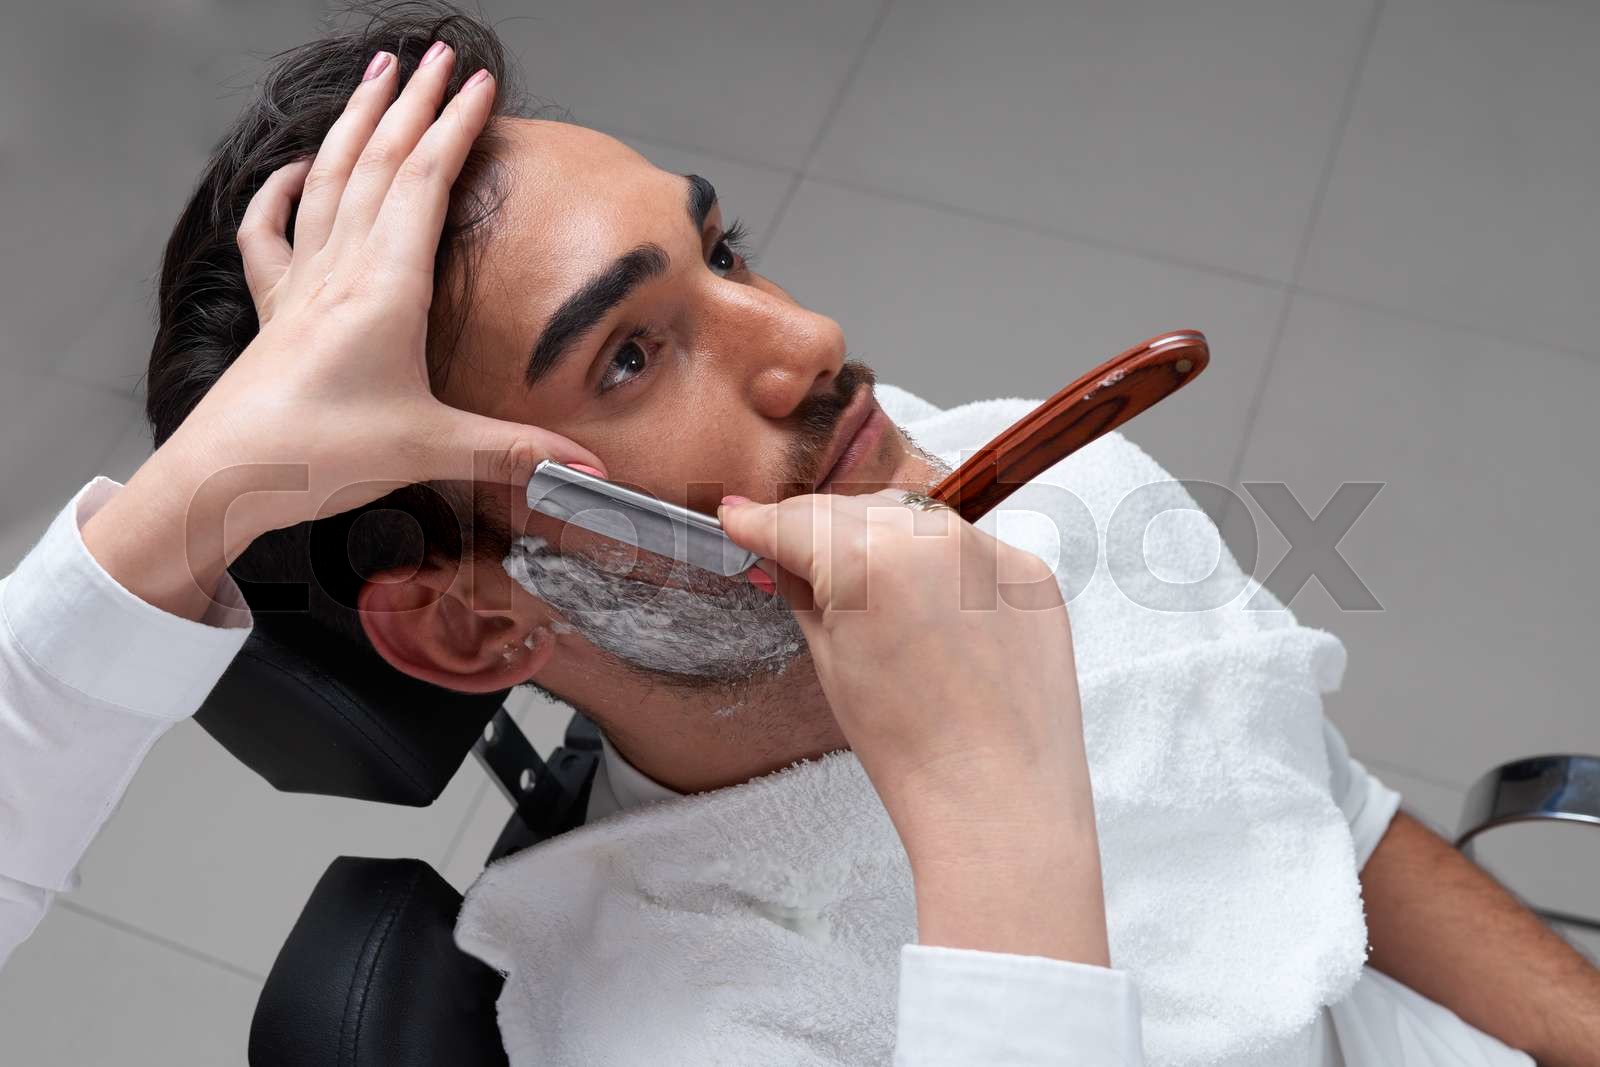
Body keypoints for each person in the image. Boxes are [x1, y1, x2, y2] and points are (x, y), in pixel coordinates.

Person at [1, 6, 1596, 1063]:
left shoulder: (1008, 473)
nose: (809, 338)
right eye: (631, 355)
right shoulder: (673, 1028)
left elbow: (1326, 818)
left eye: (724, 251)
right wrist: (996, 806)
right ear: (479, 619)